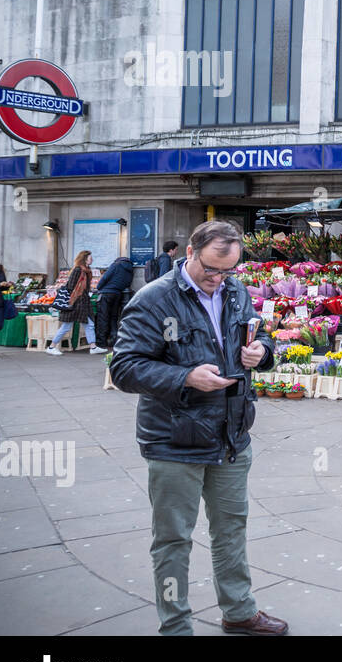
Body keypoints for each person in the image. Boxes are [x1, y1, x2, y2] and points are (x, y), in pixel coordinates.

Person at [109, 220, 284, 636]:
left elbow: (257, 335)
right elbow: (124, 367)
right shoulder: (153, 298)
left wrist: (264, 352)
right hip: (174, 440)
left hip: (231, 433)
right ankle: (175, 627)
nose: (218, 279)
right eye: (211, 269)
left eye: (228, 271)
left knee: (231, 528)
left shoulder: (237, 291)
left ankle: (239, 611)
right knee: (173, 540)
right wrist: (185, 377)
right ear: (190, 252)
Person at [47, 250, 102, 355]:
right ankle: (51, 347)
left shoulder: (87, 270)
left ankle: (93, 347)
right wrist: (77, 297)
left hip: (83, 302)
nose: (92, 259)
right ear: (85, 259)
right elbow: (70, 286)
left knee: (89, 324)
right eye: (90, 258)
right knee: (66, 326)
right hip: (75, 303)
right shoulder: (78, 270)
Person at [93, 255, 135, 350]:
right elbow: (128, 283)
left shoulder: (116, 265)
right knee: (113, 318)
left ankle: (101, 343)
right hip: (117, 294)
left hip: (106, 293)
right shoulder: (130, 269)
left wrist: (98, 287)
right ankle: (113, 340)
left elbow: (105, 278)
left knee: (103, 317)